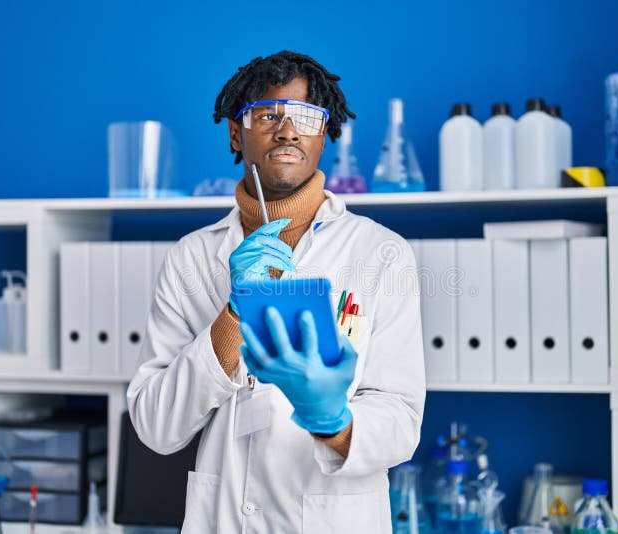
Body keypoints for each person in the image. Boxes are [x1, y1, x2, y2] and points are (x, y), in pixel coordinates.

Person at [127, 50, 425, 533]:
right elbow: (156, 426)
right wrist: (232, 317)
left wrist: (333, 419)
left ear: (324, 134)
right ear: (235, 133)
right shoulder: (191, 258)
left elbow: (402, 422)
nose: (288, 130)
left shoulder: (381, 253)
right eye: (268, 114)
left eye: (306, 116)